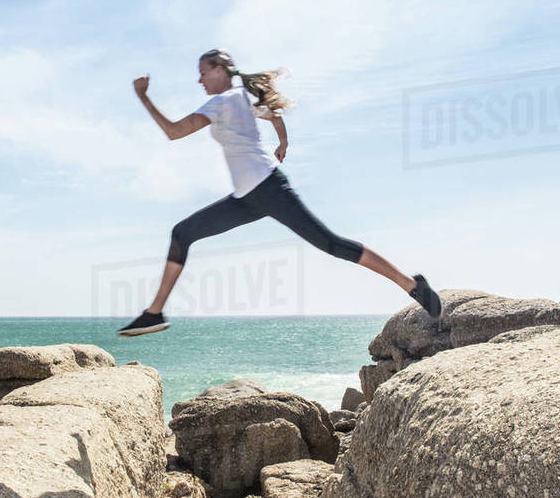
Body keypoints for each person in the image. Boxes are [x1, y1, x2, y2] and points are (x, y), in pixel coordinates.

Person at [117, 47, 442, 336]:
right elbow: (274, 115)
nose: (199, 81)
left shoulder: (223, 101)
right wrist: (283, 142)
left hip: (269, 189)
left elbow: (174, 132)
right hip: (248, 198)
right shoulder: (243, 99)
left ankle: (412, 285)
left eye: (202, 73)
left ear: (219, 70)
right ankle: (153, 312)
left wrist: (144, 97)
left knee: (331, 244)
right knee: (183, 232)